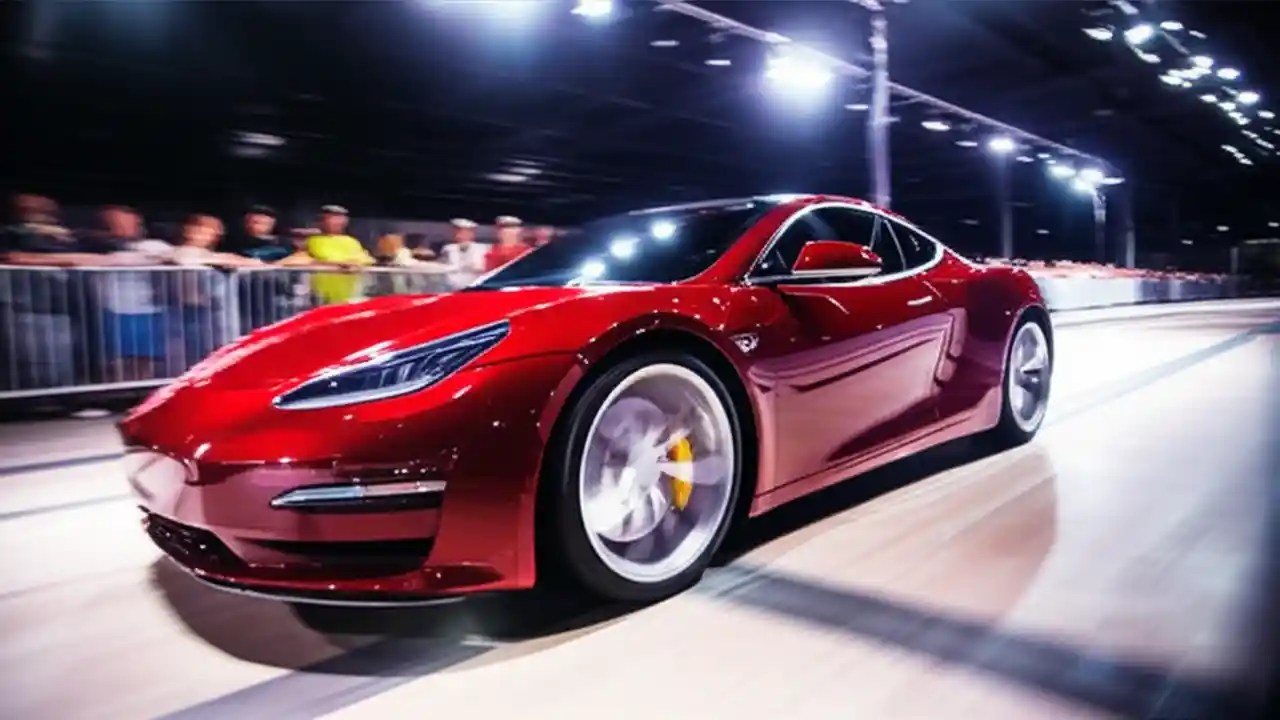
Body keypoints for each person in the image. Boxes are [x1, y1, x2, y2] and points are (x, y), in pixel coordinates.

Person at [306, 205, 374, 304]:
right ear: (322, 220)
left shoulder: (352, 241)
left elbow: (366, 260)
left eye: (339, 218)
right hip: (322, 297)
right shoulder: (313, 240)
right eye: (332, 218)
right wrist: (342, 264)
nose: (336, 221)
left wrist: (353, 264)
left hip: (350, 296)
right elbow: (323, 257)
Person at [225, 205, 290, 262]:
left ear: (272, 223)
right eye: (249, 222)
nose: (251, 225)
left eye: (257, 222)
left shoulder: (284, 242)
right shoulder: (235, 242)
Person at [439, 218, 488, 288]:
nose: (459, 234)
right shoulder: (448, 248)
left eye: (464, 232)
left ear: (472, 234)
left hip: (471, 287)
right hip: (450, 287)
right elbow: (442, 266)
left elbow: (479, 268)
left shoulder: (481, 248)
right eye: (457, 231)